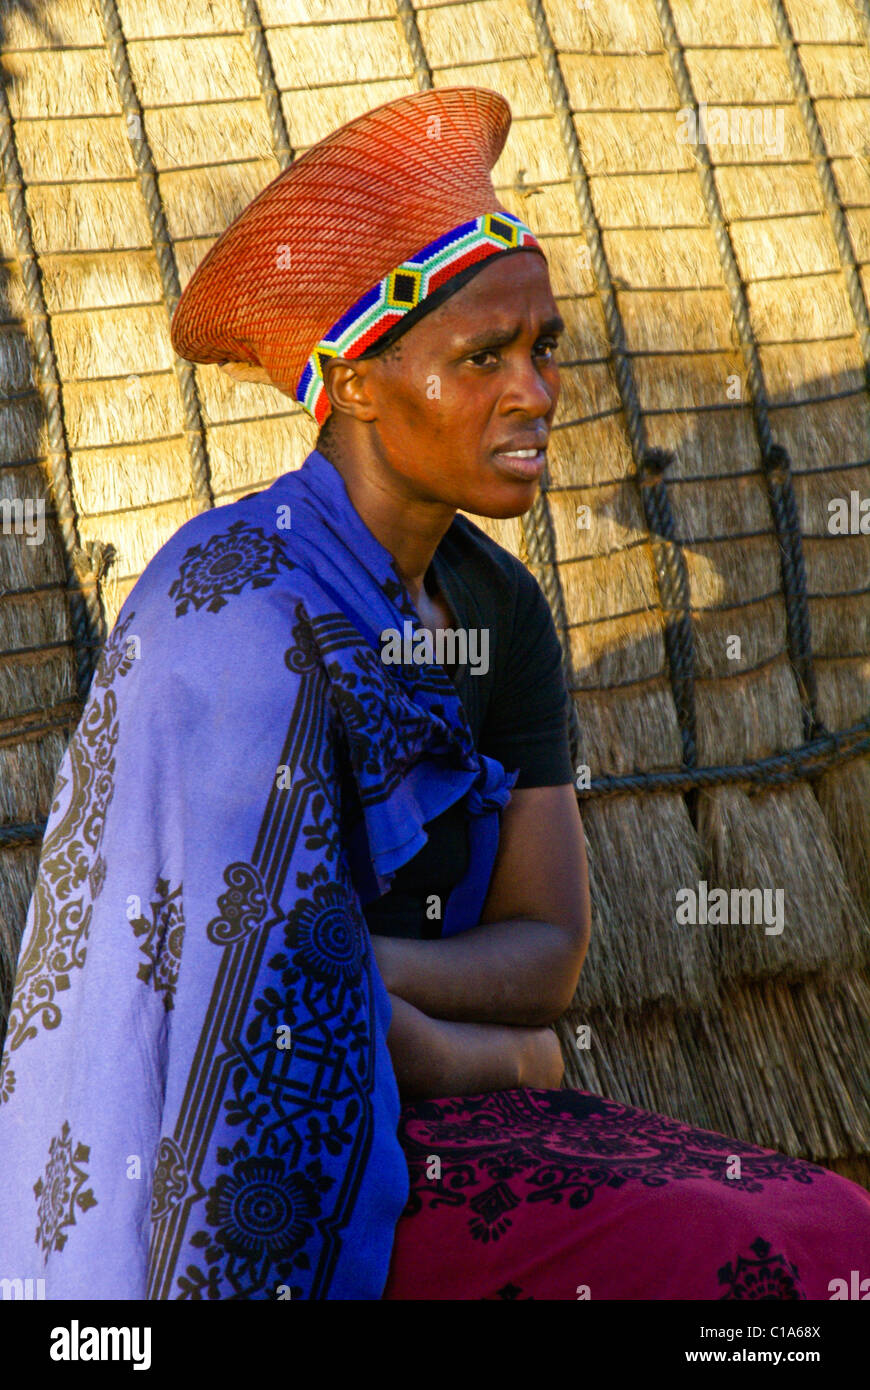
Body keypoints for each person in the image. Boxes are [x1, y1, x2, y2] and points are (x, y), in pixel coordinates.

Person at [0, 87, 867, 1301]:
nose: (538, 392)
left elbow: (544, 949)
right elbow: (247, 1026)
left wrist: (370, 982)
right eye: (483, 357)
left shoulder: (497, 615)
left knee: (838, 1236)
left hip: (433, 1097)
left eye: (544, 347)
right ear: (355, 383)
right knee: (748, 1264)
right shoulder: (233, 611)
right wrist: (495, 1047)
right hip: (240, 1176)